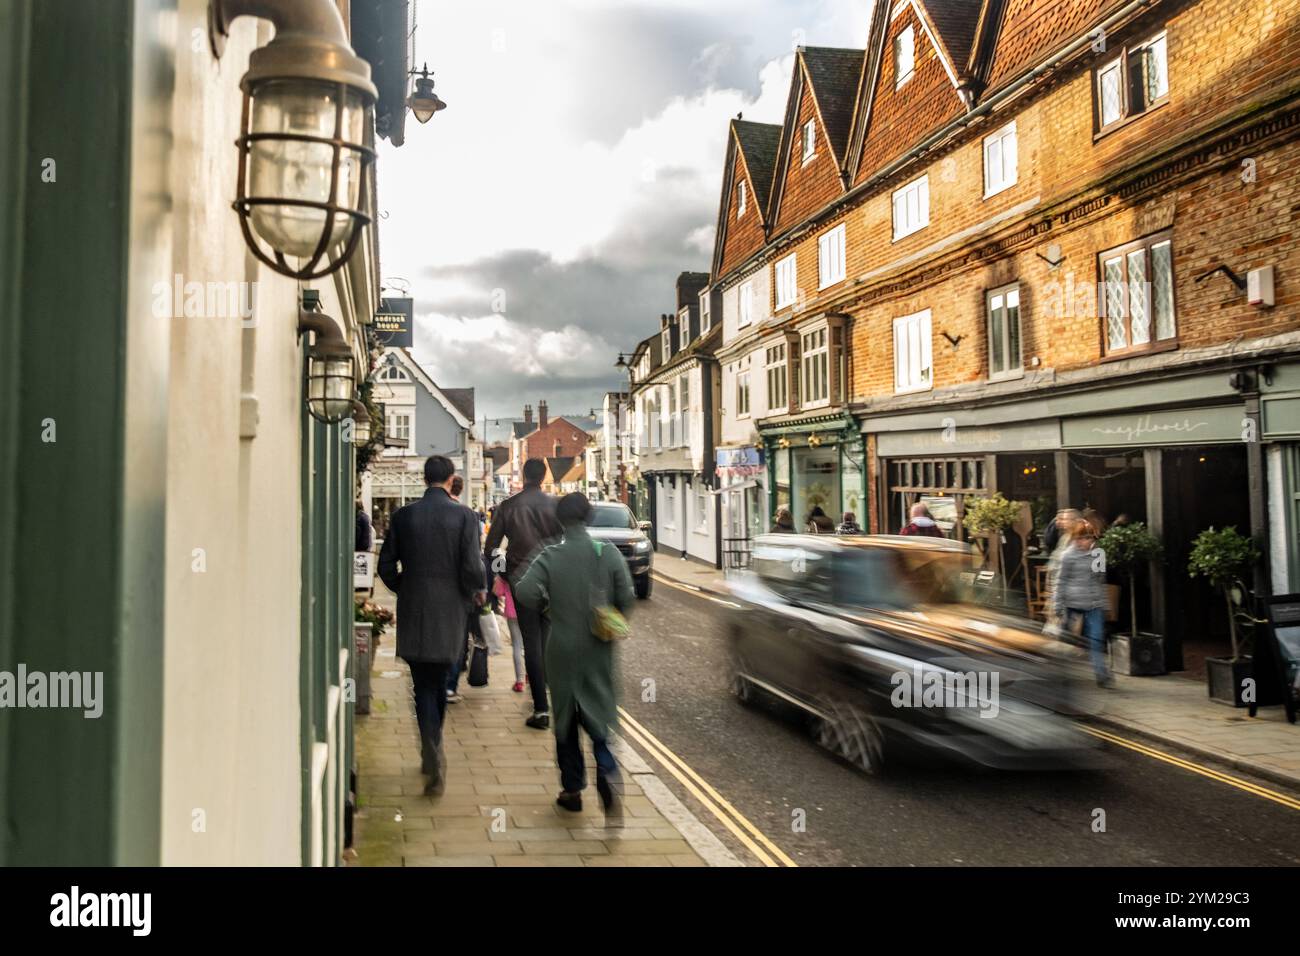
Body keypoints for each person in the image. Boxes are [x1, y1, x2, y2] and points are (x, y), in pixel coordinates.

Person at [514, 492, 634, 821]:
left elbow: (523, 590)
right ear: (588, 516)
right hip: (598, 648)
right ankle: (607, 773)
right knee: (598, 717)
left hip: (561, 647)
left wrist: (548, 605)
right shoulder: (606, 553)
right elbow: (627, 597)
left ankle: (572, 790)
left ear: (560, 520)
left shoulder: (551, 554)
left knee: (565, 719)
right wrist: (612, 618)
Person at [378, 455, 487, 796]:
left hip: (414, 610)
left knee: (421, 684)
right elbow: (472, 567)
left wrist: (405, 588)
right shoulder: (465, 517)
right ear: (450, 477)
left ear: (423, 478)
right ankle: (433, 749)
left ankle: (431, 751)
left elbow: (385, 566)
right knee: (438, 682)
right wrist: (474, 593)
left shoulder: (403, 516)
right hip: (450, 611)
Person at [483, 457, 564, 729]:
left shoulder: (508, 507)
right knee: (547, 642)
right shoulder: (555, 505)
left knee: (531, 643)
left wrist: (504, 572)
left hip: (522, 581)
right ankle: (555, 701)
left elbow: (491, 549)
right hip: (551, 580)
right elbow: (567, 541)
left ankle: (541, 710)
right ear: (543, 477)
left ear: (523, 476)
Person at [1052, 523, 1113, 687]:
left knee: (1096, 640)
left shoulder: (1098, 555)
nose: (1085, 541)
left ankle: (1102, 675)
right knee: (1067, 641)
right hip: (1072, 603)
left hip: (1094, 604)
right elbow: (1061, 581)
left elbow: (1101, 580)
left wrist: (1105, 605)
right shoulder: (1067, 556)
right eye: (1081, 538)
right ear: (1075, 539)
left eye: (1088, 537)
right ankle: (1063, 674)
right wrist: (1057, 605)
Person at [446, 475, 486, 703]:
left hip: (432, 591)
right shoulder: (467, 515)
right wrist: (480, 588)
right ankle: (450, 687)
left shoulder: (418, 511)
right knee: (458, 638)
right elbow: (474, 558)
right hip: (460, 589)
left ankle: (434, 684)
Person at [493, 572, 527, 693]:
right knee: (530, 645)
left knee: (517, 645)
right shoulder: (532, 560)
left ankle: (519, 681)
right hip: (528, 610)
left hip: (512, 611)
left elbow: (498, 591)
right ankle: (530, 674)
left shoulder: (506, 567)